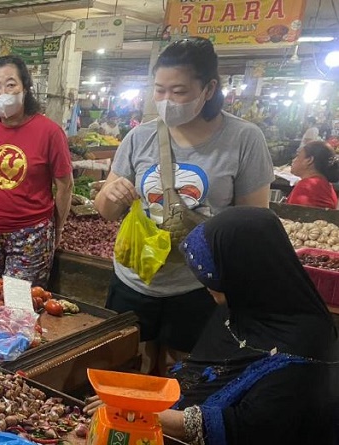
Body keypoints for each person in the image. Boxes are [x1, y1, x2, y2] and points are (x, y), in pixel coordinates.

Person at [94, 38, 274, 375]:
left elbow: (253, 223)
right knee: (126, 369)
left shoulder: (243, 139)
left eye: (178, 91)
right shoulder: (139, 137)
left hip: (199, 287)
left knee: (185, 378)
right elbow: (106, 209)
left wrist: (228, 284)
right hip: (135, 279)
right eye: (159, 90)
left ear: (208, 89)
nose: (166, 101)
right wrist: (111, 194)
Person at [86, 207, 339, 444]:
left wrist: (144, 414)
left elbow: (252, 429)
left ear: (245, 270)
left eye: (212, 274)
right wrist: (135, 398)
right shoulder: (240, 307)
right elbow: (197, 374)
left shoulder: (305, 349)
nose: (205, 283)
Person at [0, 55, 73, 286]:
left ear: (25, 88)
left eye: (11, 84)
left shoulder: (49, 132)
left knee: (21, 305)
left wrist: (57, 228)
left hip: (31, 234)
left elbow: (65, 186)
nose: (3, 93)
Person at [287, 141, 339, 209]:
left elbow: (295, 215)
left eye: (298, 156)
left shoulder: (306, 186)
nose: (293, 160)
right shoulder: (325, 184)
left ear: (309, 160)